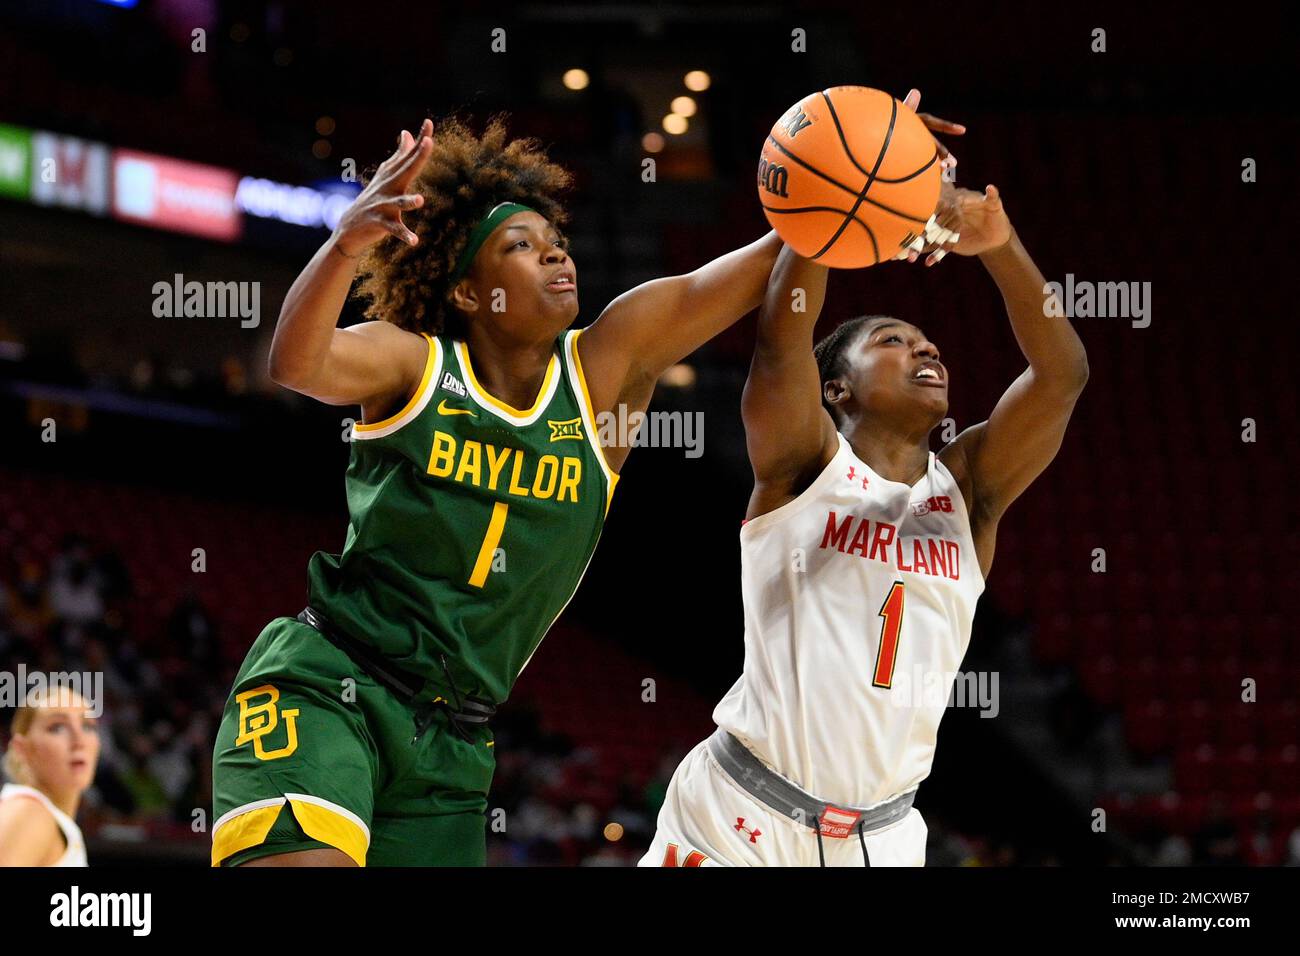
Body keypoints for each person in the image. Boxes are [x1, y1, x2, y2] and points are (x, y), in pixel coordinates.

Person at [210, 112, 805, 867]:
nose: (554, 251)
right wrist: (344, 244)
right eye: (519, 246)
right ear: (467, 292)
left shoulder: (602, 377)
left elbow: (779, 253)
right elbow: (298, 363)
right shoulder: (414, 365)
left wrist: (890, 195)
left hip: (455, 742)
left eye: (554, 239)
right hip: (332, 685)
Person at [643, 114, 1089, 865]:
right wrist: (839, 194)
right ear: (837, 388)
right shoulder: (802, 466)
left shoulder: (968, 491)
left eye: (927, 341)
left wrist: (999, 244)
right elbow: (783, 338)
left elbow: (1062, 375)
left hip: (883, 837)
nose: (925, 347)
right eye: (892, 341)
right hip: (737, 818)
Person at [0, 686, 99, 866]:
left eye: (87, 725)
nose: (79, 740)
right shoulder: (29, 811)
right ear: (22, 748)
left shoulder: (49, 817)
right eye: (57, 727)